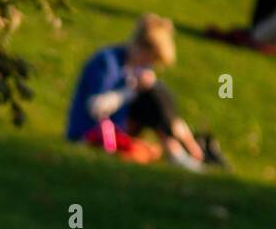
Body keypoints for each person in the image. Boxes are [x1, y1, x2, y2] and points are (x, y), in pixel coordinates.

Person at [65, 13, 228, 172]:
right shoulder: (107, 62)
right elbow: (95, 108)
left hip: (117, 129)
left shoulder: (136, 67)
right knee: (151, 94)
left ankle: (183, 146)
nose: (151, 65)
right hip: (89, 132)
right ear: (142, 47)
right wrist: (132, 90)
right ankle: (182, 150)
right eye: (152, 59)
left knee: (157, 93)